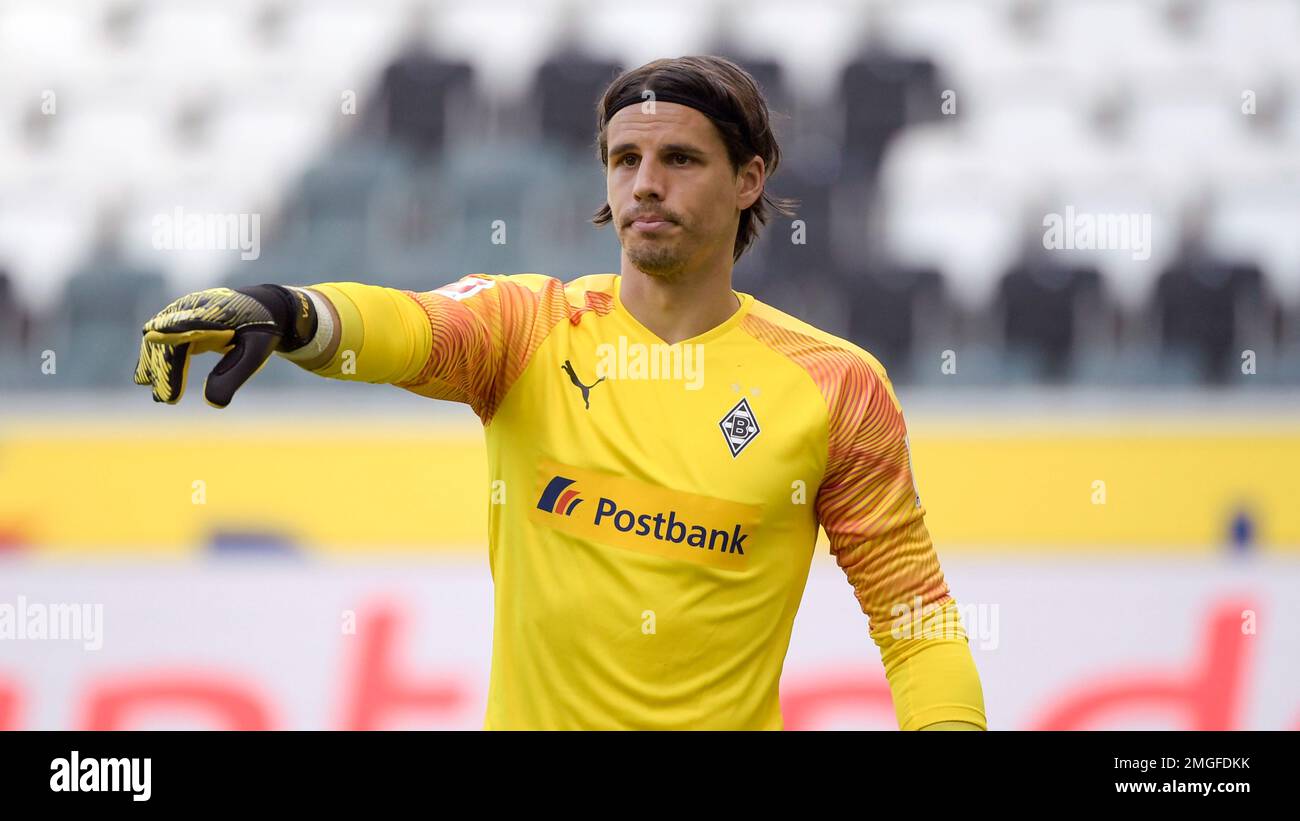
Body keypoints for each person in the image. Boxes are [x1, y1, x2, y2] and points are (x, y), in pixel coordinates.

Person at [134, 55, 986, 731]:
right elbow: (411, 327)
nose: (644, 182)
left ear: (749, 178)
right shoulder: (528, 328)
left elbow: (913, 616)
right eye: (625, 159)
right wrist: (289, 312)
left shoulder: (836, 384)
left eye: (680, 158)